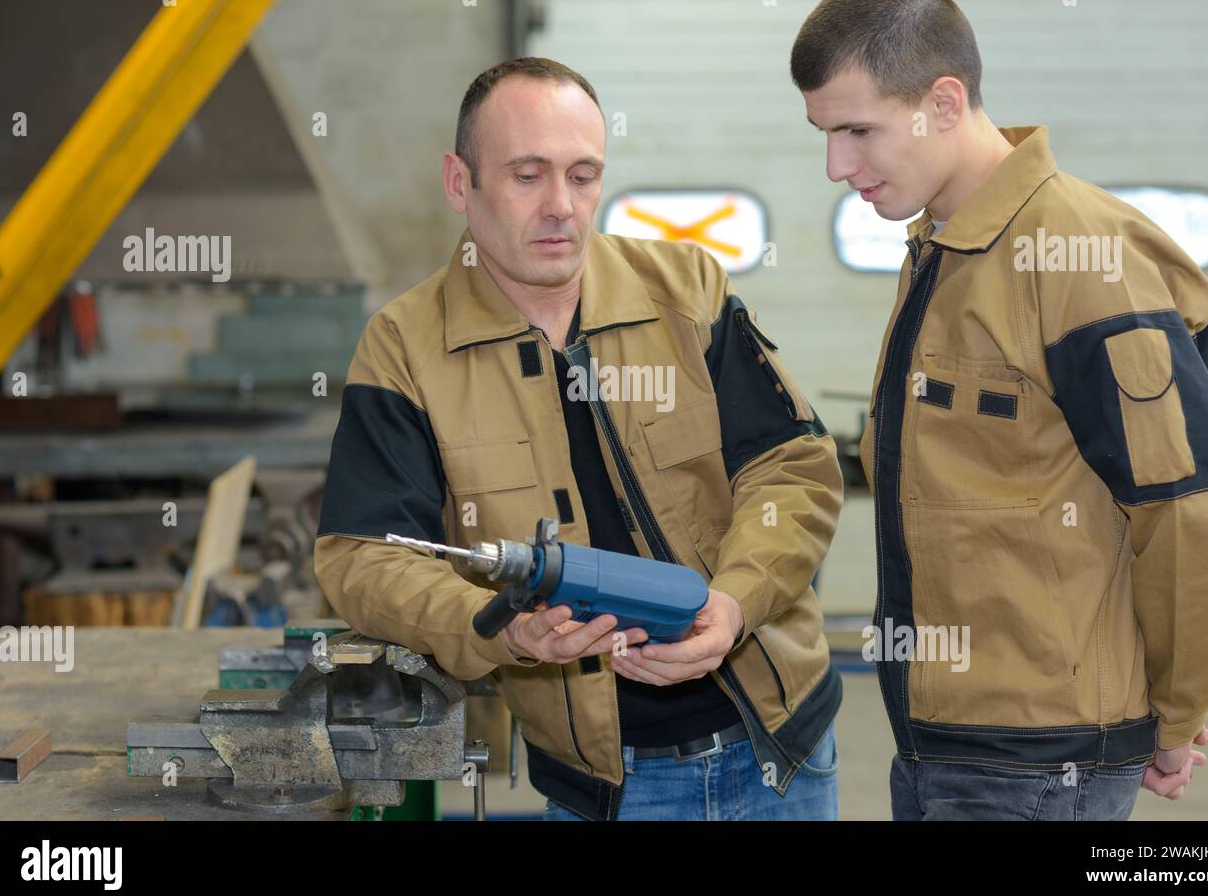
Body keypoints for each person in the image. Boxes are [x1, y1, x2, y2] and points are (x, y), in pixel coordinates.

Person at [314, 57, 844, 820]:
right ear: (459, 183)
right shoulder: (404, 348)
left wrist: (736, 600)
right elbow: (363, 554)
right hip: (613, 790)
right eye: (528, 176)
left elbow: (791, 467)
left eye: (584, 175)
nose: (562, 206)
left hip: (780, 755)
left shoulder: (687, 290)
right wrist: (500, 630)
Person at [789, 0, 1208, 820]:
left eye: (857, 130)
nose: (835, 165)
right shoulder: (943, 245)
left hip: (1039, 766)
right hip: (950, 743)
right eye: (824, 133)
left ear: (942, 101)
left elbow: (1191, 508)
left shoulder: (1080, 255)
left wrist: (1178, 709)